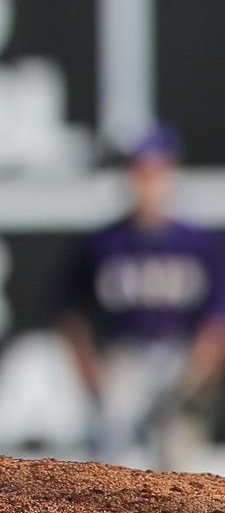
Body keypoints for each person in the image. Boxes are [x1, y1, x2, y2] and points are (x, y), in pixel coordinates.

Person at [57, 121, 225, 470]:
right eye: (139, 171)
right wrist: (93, 375)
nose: (148, 182)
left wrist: (195, 379)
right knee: (118, 464)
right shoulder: (103, 242)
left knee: (182, 464)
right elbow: (69, 314)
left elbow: (215, 322)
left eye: (156, 170)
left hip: (180, 358)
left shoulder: (197, 243)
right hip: (126, 360)